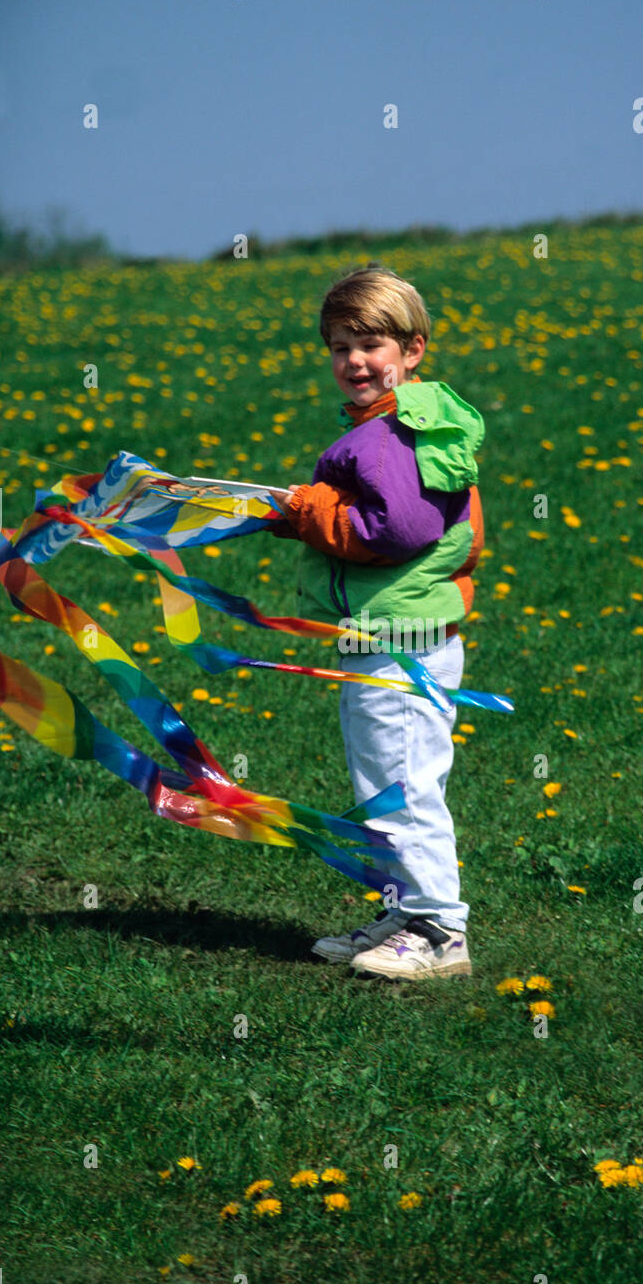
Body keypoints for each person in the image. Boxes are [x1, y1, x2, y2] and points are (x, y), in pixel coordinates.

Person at [268, 265, 484, 980]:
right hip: (409, 638)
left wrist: (309, 513)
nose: (354, 361)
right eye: (339, 347)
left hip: (398, 647)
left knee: (400, 787)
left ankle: (437, 929)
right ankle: (406, 909)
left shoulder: (386, 438)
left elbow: (399, 528)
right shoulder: (416, 419)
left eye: (371, 344)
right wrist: (301, 517)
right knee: (394, 781)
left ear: (413, 349)